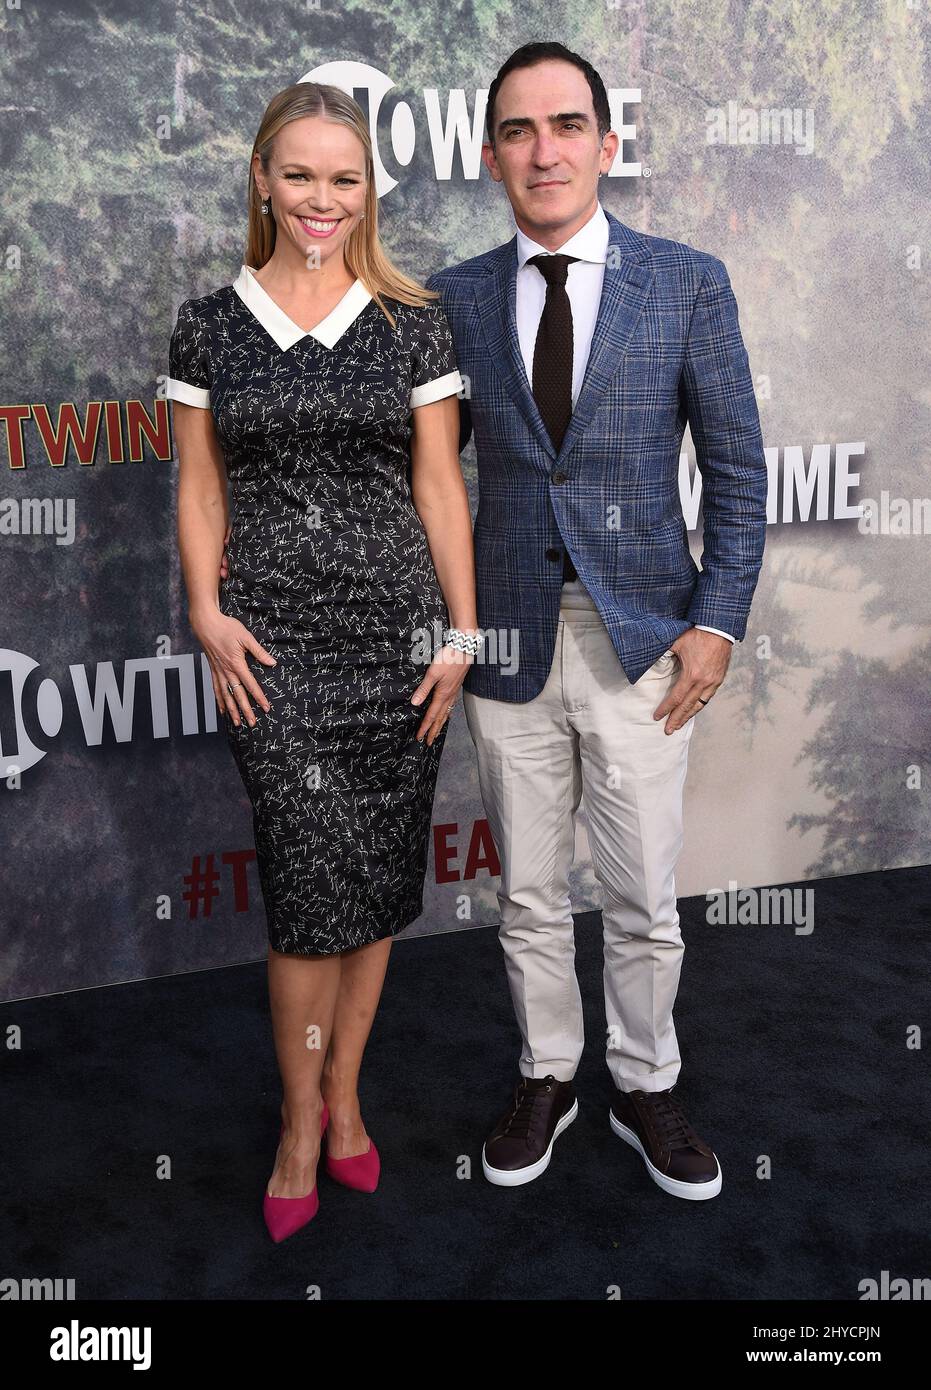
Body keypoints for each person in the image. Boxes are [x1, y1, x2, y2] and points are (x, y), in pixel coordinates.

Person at [428, 43, 768, 1199]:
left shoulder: (685, 282)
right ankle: (547, 1071)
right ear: (490, 156)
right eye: (518, 130)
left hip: (645, 641)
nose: (545, 149)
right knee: (527, 891)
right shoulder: (454, 297)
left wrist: (717, 621)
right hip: (507, 642)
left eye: (566, 124)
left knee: (640, 895)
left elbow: (735, 468)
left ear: (607, 145)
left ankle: (647, 1083)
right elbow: (428, 481)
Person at [167, 82, 479, 1242]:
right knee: (306, 900)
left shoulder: (414, 322)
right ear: (261, 179)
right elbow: (198, 485)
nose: (321, 200)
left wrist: (459, 632)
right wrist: (203, 608)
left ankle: (349, 1095)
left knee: (378, 887)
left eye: (343, 180)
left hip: (399, 644)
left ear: (369, 192)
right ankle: (301, 1118)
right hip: (271, 650)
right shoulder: (207, 323)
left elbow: (441, 486)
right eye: (299, 175)